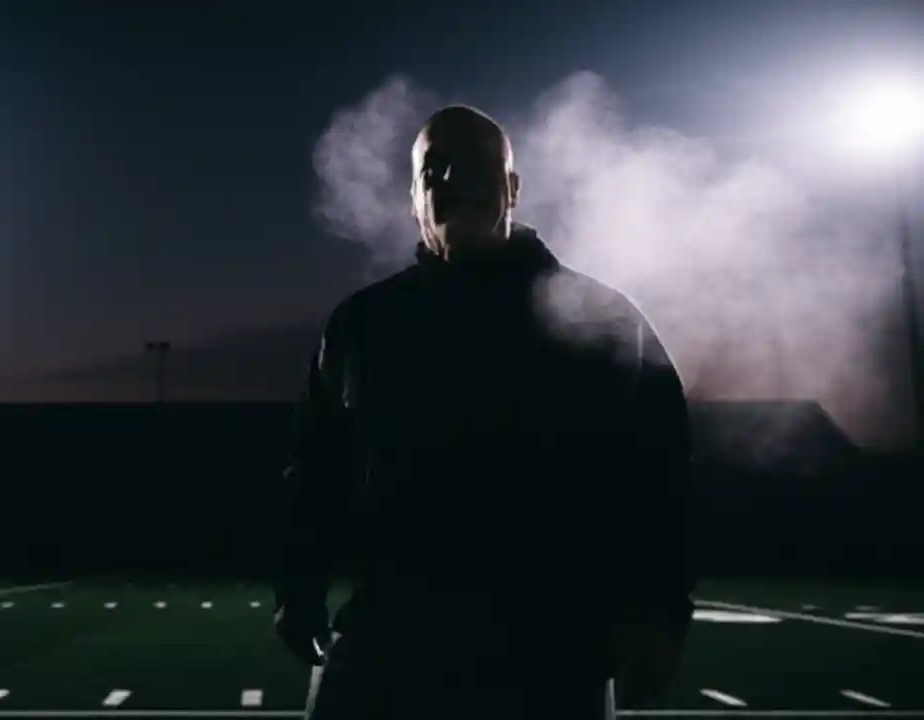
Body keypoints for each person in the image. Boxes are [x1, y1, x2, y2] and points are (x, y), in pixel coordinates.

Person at [273, 104, 696, 718]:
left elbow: (662, 476)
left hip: (551, 644)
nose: (450, 182)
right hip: (391, 630)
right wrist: (298, 586)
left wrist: (660, 613)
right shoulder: (364, 324)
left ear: (513, 188)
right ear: (413, 196)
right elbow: (316, 465)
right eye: (432, 170)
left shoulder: (602, 320)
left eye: (472, 164)